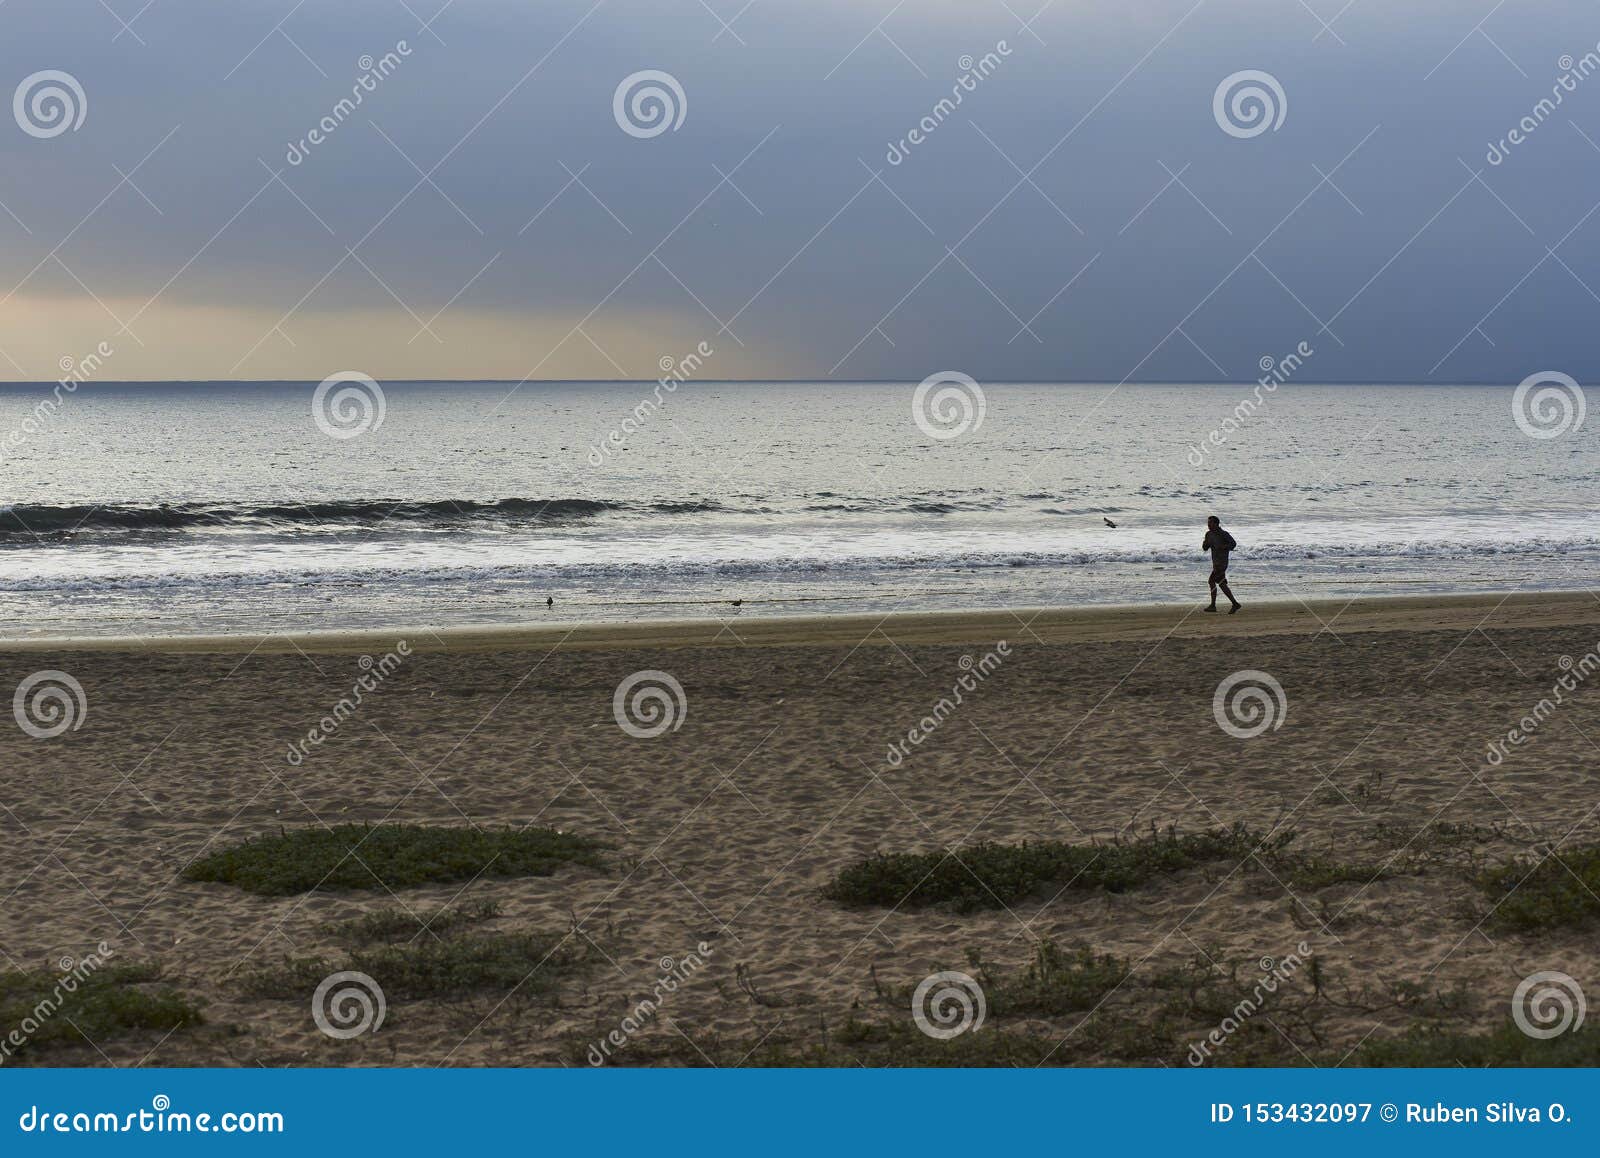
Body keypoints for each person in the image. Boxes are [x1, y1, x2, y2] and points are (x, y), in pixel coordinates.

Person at [1202, 516, 1241, 613]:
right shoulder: (1208, 534)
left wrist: (1224, 547)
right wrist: (1205, 544)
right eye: (1208, 523)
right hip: (1215, 562)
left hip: (1222, 563)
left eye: (1210, 523)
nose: (1208, 525)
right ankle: (1234, 604)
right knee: (1221, 584)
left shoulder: (1223, 534)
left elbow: (1233, 544)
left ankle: (1213, 605)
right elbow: (1205, 548)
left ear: (1216, 524)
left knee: (1212, 581)